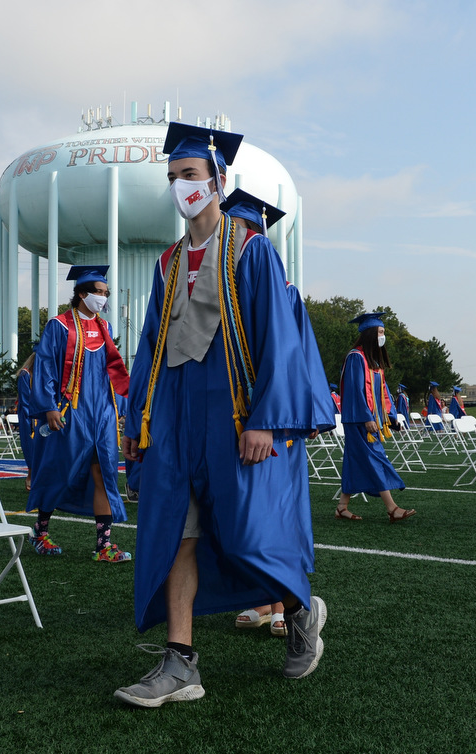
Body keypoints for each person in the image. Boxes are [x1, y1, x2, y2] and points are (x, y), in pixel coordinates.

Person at [116, 123, 328, 708]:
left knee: (249, 533)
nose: (180, 187)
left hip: (235, 416)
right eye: (172, 178)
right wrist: (138, 421)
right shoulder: (167, 263)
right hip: (176, 418)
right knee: (176, 534)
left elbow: (279, 341)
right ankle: (180, 663)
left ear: (218, 179)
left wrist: (266, 419)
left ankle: (300, 610)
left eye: (189, 175)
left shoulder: (251, 251)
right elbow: (150, 346)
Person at [221, 188, 336, 639]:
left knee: (274, 511)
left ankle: (283, 605)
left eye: (238, 228)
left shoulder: (282, 289)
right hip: (237, 414)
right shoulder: (221, 282)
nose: (232, 235)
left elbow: (296, 355)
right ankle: (263, 600)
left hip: (273, 417)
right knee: (249, 512)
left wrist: (295, 413)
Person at [27, 265, 132, 562]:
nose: (104, 298)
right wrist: (49, 406)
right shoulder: (59, 326)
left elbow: (112, 371)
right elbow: (45, 366)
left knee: (104, 474)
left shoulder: (105, 328)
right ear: (82, 294)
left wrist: (121, 406)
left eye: (106, 293)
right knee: (59, 470)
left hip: (102, 413)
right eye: (99, 292)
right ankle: (40, 532)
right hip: (71, 411)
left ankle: (103, 546)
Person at [335, 313, 416, 524]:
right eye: (380, 332)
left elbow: (383, 390)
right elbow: (355, 390)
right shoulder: (356, 357)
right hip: (359, 420)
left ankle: (342, 507)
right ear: (371, 333)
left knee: (356, 461)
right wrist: (366, 417)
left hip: (372, 419)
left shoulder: (373, 361)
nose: (383, 336)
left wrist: (391, 416)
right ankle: (392, 508)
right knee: (374, 459)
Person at [15, 351, 36, 491]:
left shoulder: (45, 373)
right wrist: (34, 417)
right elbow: (25, 399)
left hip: (43, 415)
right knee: (31, 447)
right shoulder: (25, 374)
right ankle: (30, 476)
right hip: (30, 416)